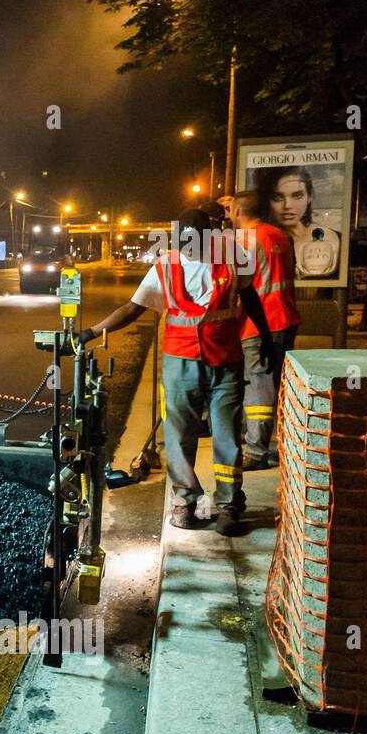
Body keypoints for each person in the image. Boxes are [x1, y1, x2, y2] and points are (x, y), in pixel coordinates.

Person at [79, 209, 276, 535]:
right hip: (181, 361)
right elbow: (132, 308)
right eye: (183, 238)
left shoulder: (230, 260)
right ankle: (185, 502)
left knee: (226, 436)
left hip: (225, 362)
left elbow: (250, 297)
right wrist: (90, 333)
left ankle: (228, 505)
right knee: (179, 436)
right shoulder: (166, 266)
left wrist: (266, 337)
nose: (188, 245)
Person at [232, 189, 301, 469]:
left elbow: (238, 287)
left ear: (238, 212)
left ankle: (256, 451)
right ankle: (275, 443)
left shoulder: (243, 242)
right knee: (277, 384)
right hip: (286, 319)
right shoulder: (282, 236)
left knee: (259, 386)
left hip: (258, 325)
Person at [254, 166, 341, 279]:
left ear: (309, 197)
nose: (288, 205)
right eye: (277, 197)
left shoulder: (335, 239)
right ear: (267, 201)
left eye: (297, 196)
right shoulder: (256, 241)